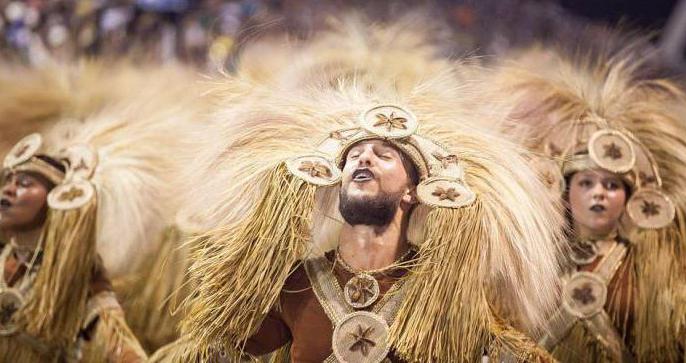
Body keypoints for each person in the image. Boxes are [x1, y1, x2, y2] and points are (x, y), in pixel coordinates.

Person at [152, 20, 567, 359]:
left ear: (412, 191)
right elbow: (222, 342)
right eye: (355, 155)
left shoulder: (442, 287)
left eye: (384, 155)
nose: (363, 159)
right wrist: (238, 255)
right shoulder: (299, 282)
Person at [491, 47, 686, 362]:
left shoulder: (644, 272)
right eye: (586, 183)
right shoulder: (535, 256)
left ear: (630, 200)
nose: (599, 193)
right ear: (566, 192)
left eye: (611, 185)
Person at [0, 132, 147, 362]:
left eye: (25, 183)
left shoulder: (78, 281)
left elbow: (119, 348)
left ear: (58, 198)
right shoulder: (4, 257)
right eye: (8, 181)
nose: (8, 189)